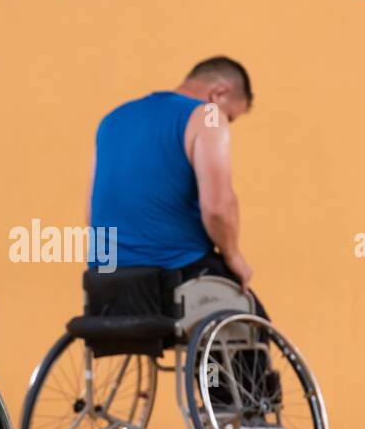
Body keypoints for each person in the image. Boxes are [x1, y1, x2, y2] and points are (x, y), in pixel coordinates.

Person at [86, 55, 268, 320]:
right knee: (252, 331)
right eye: (229, 117)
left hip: (106, 280)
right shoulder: (207, 116)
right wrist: (234, 257)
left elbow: (93, 214)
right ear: (219, 94)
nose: (224, 122)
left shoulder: (113, 120)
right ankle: (239, 363)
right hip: (173, 273)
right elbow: (217, 208)